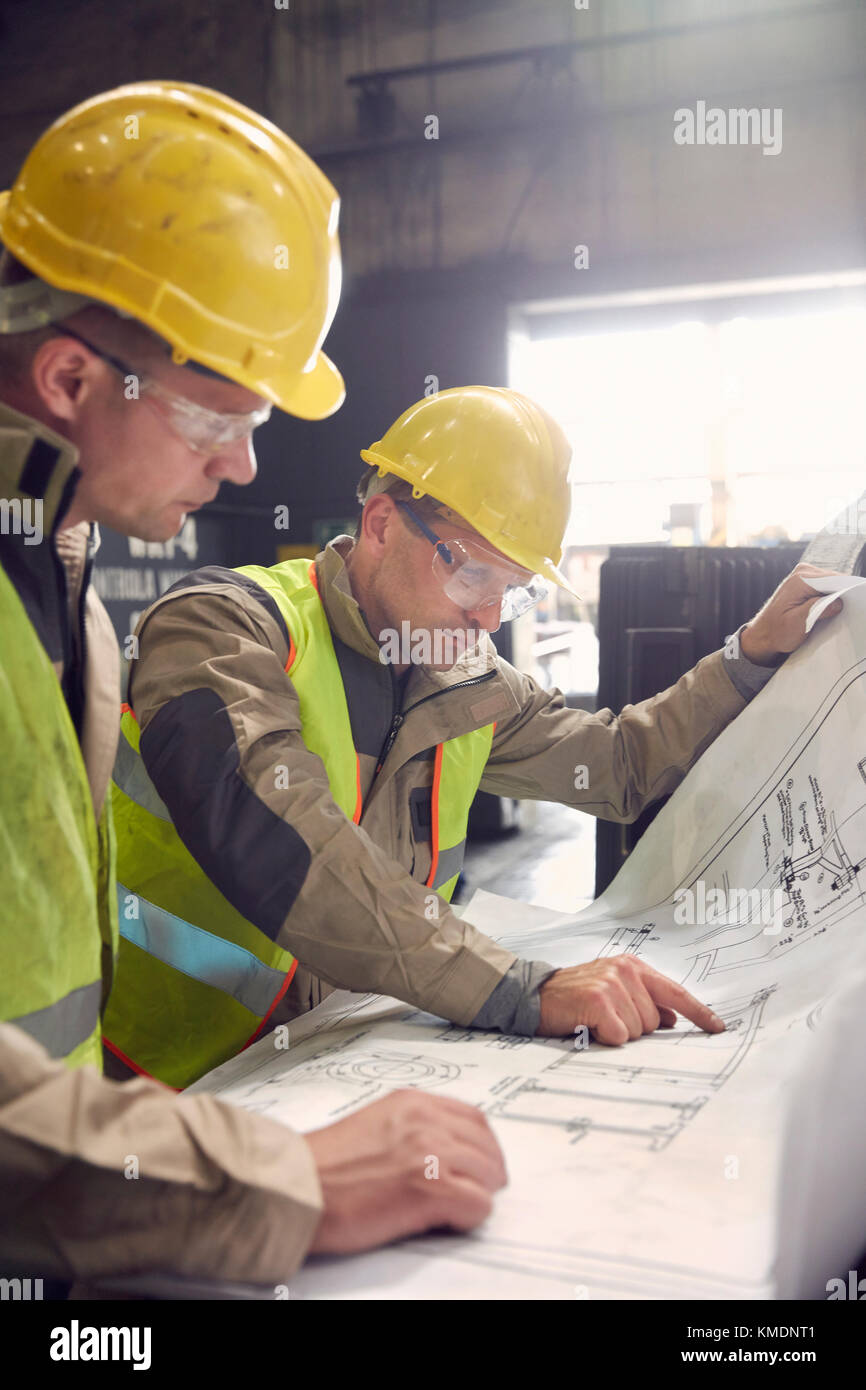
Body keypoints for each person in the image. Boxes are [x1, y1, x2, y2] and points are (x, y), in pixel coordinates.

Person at [0, 83, 505, 1294]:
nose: (246, 465)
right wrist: (278, 1176)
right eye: (213, 419)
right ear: (72, 381)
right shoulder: (194, 619)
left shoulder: (67, 600)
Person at [103, 383, 846, 1090]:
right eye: (473, 577)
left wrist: (750, 652)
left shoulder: (469, 680)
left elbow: (617, 765)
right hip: (158, 1083)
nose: (491, 618)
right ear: (382, 525)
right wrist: (517, 990)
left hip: (324, 1068)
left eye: (514, 590)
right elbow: (283, 845)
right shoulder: (221, 629)